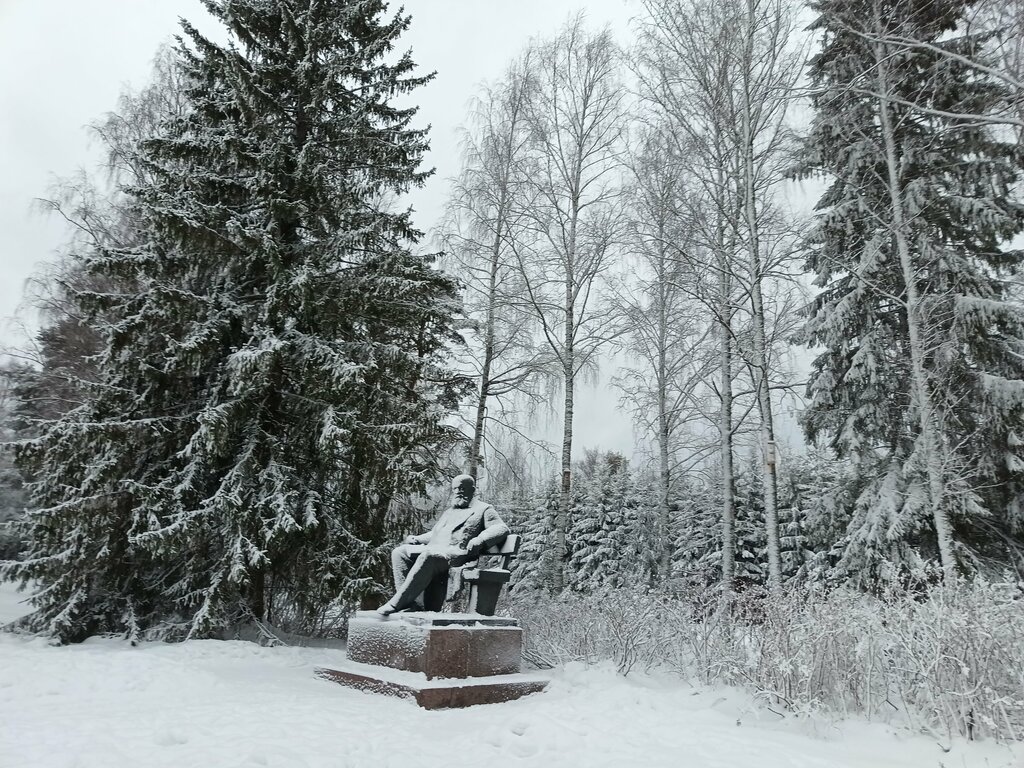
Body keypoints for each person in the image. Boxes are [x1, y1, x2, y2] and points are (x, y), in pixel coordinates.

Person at [377, 474, 509, 615]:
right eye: (455, 488)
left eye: (462, 488)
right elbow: (436, 533)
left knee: (429, 556)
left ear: (472, 489)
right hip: (437, 549)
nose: (458, 491)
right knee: (399, 552)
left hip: (458, 555)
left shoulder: (484, 509)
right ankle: (411, 604)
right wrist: (417, 539)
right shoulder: (450, 511)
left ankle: (397, 603)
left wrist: (480, 539)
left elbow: (501, 528)